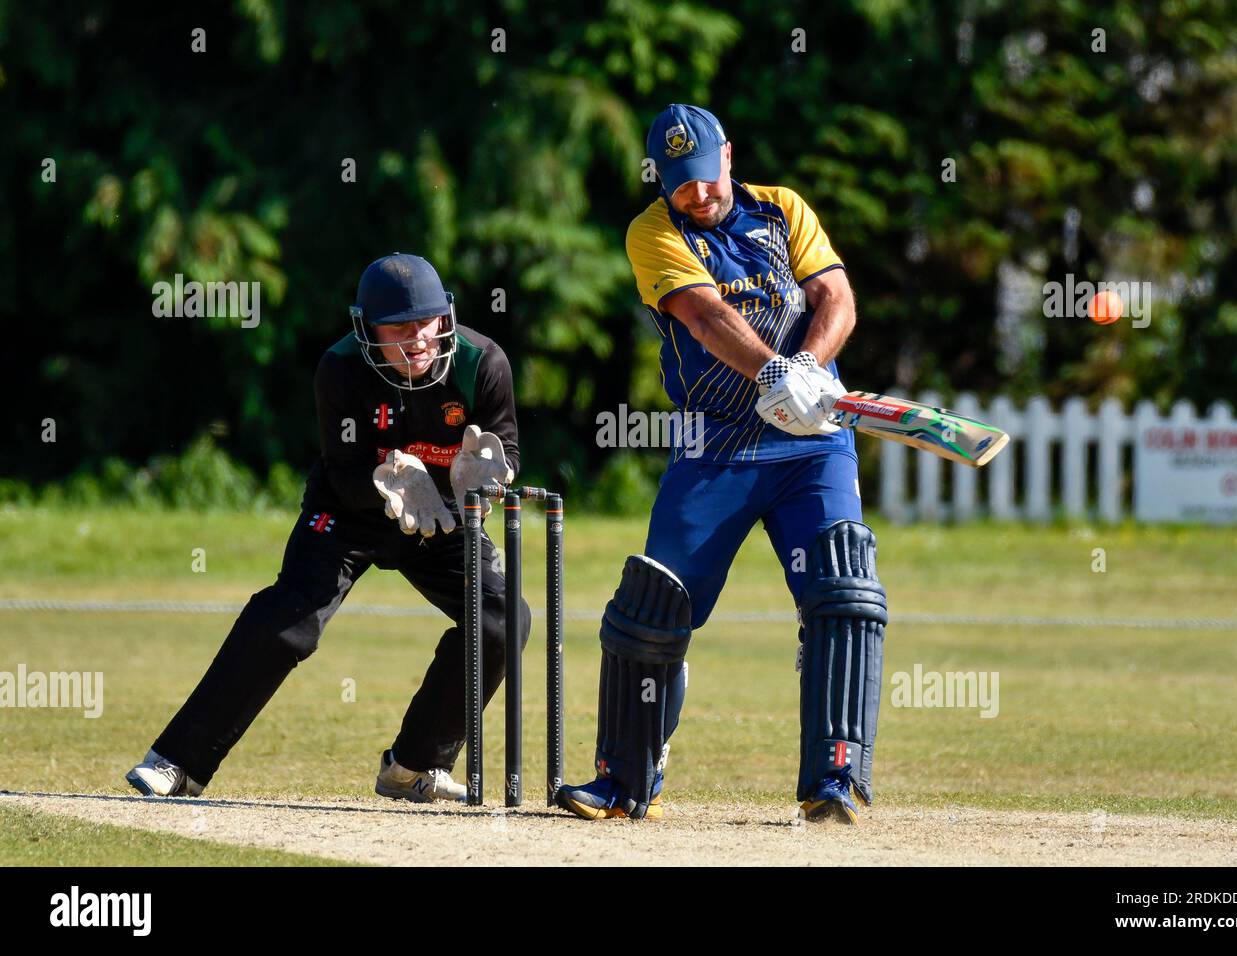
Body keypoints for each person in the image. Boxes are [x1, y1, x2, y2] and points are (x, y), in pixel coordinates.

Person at [555, 105, 887, 824]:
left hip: (812, 441)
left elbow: (836, 296)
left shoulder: (782, 209)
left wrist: (807, 368)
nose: (698, 196)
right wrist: (773, 376)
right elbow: (705, 317)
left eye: (705, 179)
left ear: (728, 157)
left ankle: (834, 777)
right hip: (716, 444)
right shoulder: (653, 232)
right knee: (657, 604)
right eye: (681, 185)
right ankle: (626, 777)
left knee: (841, 586)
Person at [126, 253, 527, 803]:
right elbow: (341, 473)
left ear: (446, 316)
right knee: (288, 619)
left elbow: (506, 454)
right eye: (400, 327)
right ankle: (177, 763)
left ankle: (413, 768)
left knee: (503, 621)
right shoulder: (340, 368)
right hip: (351, 511)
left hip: (442, 516)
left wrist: (485, 477)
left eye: (428, 323)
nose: (418, 339)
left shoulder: (483, 363)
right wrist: (387, 481)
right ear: (369, 328)